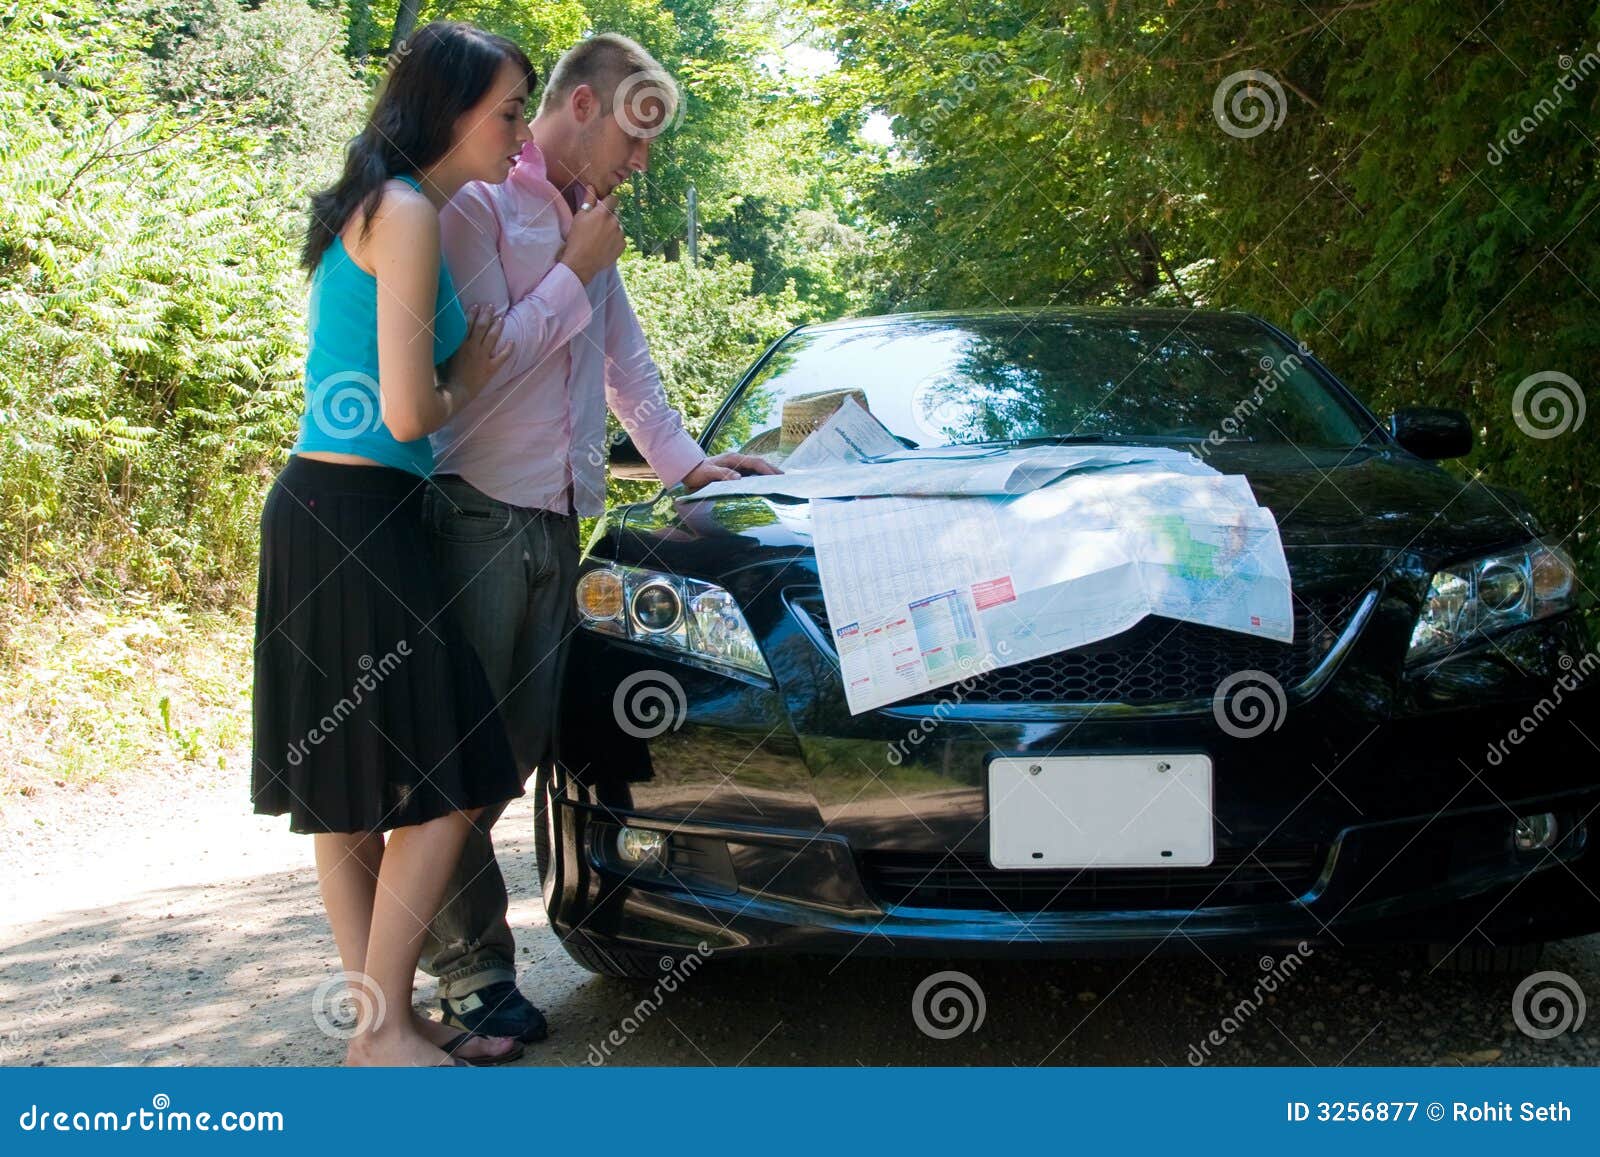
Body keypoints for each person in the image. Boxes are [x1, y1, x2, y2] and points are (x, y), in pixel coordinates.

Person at [416, 33, 776, 1042]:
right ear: (578, 106)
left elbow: (627, 366)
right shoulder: (474, 204)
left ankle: (458, 960)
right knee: (466, 759)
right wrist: (575, 268)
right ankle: (469, 971)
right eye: (637, 131)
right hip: (473, 510)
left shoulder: (592, 224)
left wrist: (690, 465)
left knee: (516, 755)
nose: (644, 160)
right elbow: (485, 353)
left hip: (558, 519)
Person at [250, 20, 542, 1067]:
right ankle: (377, 1027)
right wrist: (480, 370)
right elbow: (411, 409)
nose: (519, 131)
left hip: (332, 511)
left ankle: (385, 1020)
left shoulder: (377, 204)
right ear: (450, 109)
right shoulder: (409, 212)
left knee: (356, 783)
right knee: (453, 774)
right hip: (361, 514)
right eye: (509, 110)